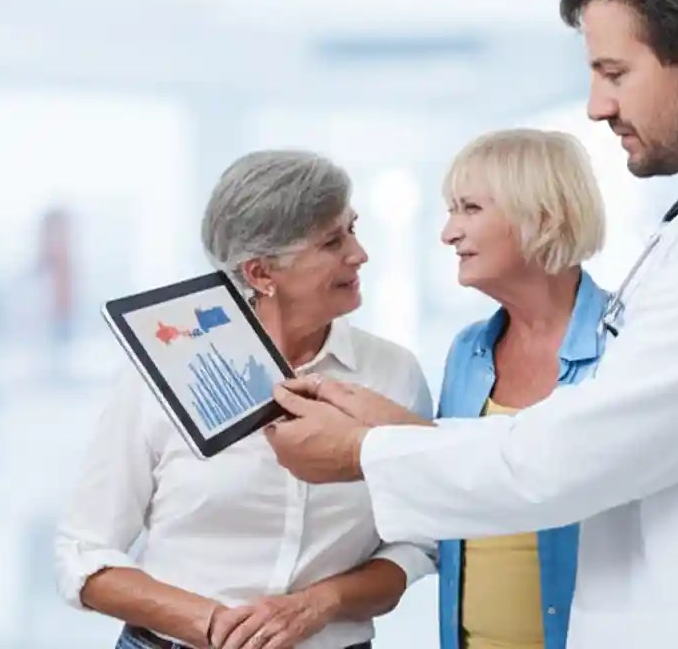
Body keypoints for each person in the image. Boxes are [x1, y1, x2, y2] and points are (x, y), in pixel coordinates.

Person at [264, 0, 678, 647]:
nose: (596, 106)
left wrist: (362, 450)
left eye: (615, 73)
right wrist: (395, 433)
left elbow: (586, 452)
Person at [55, 151, 434, 649]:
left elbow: (417, 541)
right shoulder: (160, 378)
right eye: (332, 241)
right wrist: (213, 624)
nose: (359, 253)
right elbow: (84, 554)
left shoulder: (393, 373)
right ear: (260, 273)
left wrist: (320, 604)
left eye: (353, 229)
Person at [434, 129, 608, 649]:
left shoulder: (630, 343)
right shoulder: (469, 351)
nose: (448, 232)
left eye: (469, 209)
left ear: (544, 216)